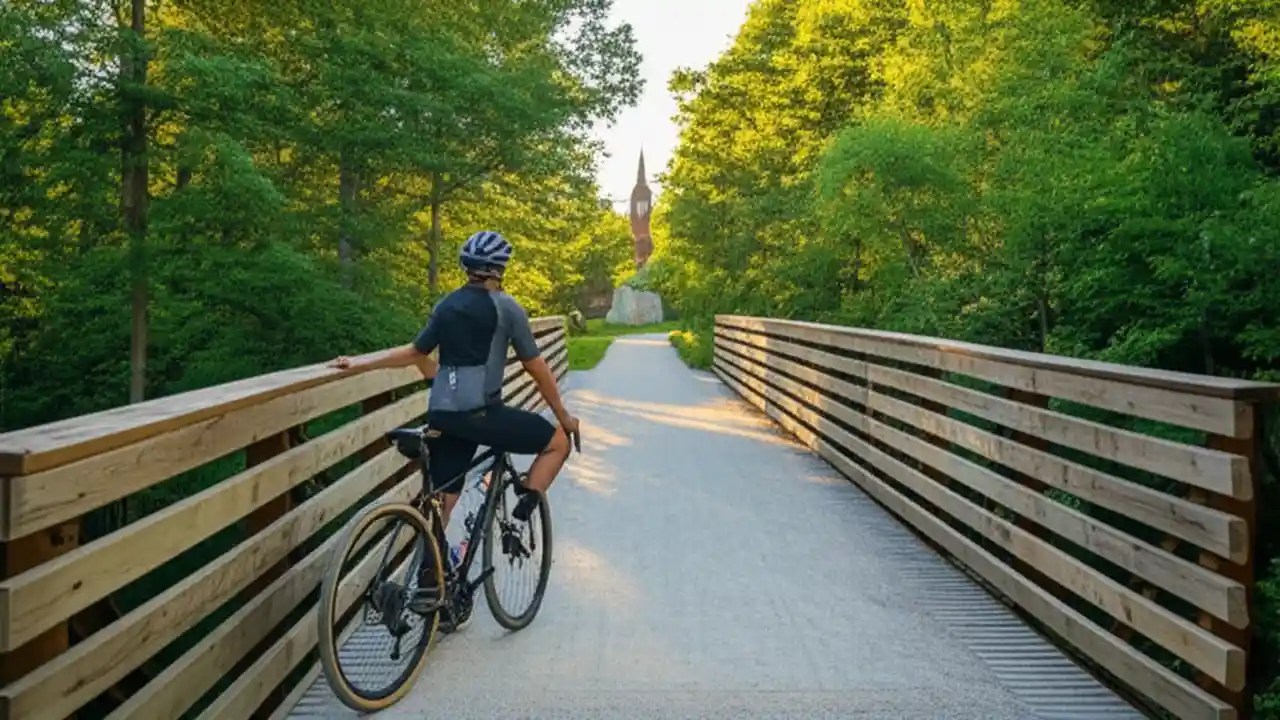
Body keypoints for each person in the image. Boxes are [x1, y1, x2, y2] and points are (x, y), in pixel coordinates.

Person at [328, 229, 579, 630]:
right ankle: (524, 504)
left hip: (442, 415)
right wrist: (563, 416)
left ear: (466, 268)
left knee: (443, 504)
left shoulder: (446, 306)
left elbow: (417, 355)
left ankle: (434, 591)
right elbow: (536, 368)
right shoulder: (507, 308)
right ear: (500, 269)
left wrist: (358, 363)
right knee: (555, 442)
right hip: (483, 414)